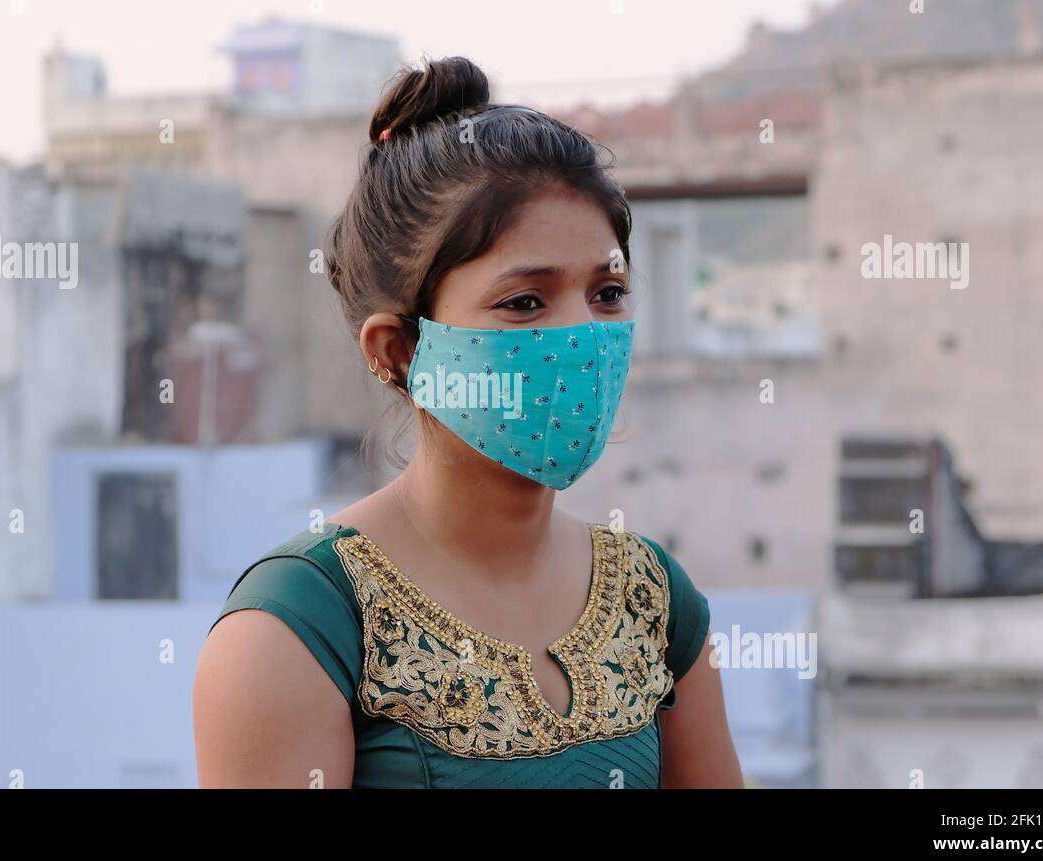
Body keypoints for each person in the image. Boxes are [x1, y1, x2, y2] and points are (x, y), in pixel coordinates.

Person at [194, 56, 742, 789]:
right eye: (524, 302)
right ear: (401, 350)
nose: (582, 335)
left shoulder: (655, 601)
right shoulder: (302, 627)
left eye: (607, 292)